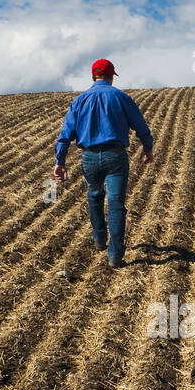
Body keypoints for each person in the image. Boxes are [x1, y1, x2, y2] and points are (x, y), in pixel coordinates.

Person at [53, 59, 153, 269]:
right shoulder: (120, 97)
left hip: (89, 157)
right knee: (116, 205)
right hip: (115, 157)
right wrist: (147, 148)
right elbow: (140, 126)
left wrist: (60, 161)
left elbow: (65, 133)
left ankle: (99, 238)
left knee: (94, 195)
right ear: (110, 76)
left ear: (93, 76)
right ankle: (115, 255)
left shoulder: (80, 101)